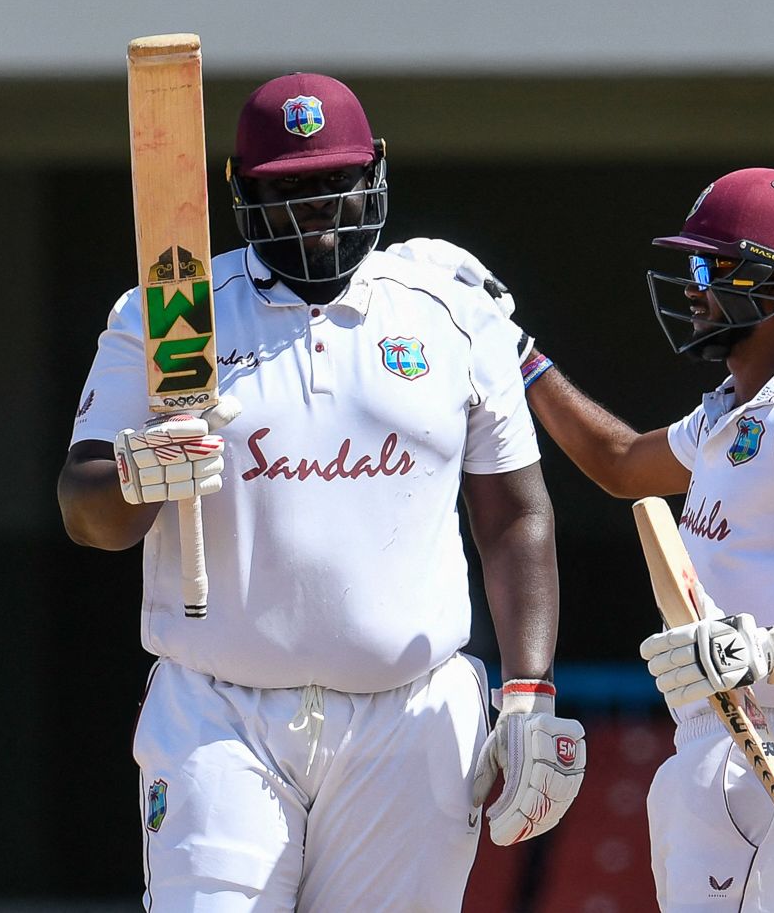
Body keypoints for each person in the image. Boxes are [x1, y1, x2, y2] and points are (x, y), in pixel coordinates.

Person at [56, 72, 586, 912]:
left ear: (375, 169)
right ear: (242, 190)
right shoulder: (171, 315)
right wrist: (140, 470)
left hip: (411, 717)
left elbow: (515, 514)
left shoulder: (450, 312)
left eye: (336, 183)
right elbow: (89, 516)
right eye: (291, 191)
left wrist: (528, 690)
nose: (318, 210)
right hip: (220, 714)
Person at [394, 167, 774, 911]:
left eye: (708, 266)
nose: (691, 286)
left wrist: (770, 649)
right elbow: (621, 464)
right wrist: (514, 349)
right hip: (717, 743)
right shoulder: (733, 412)